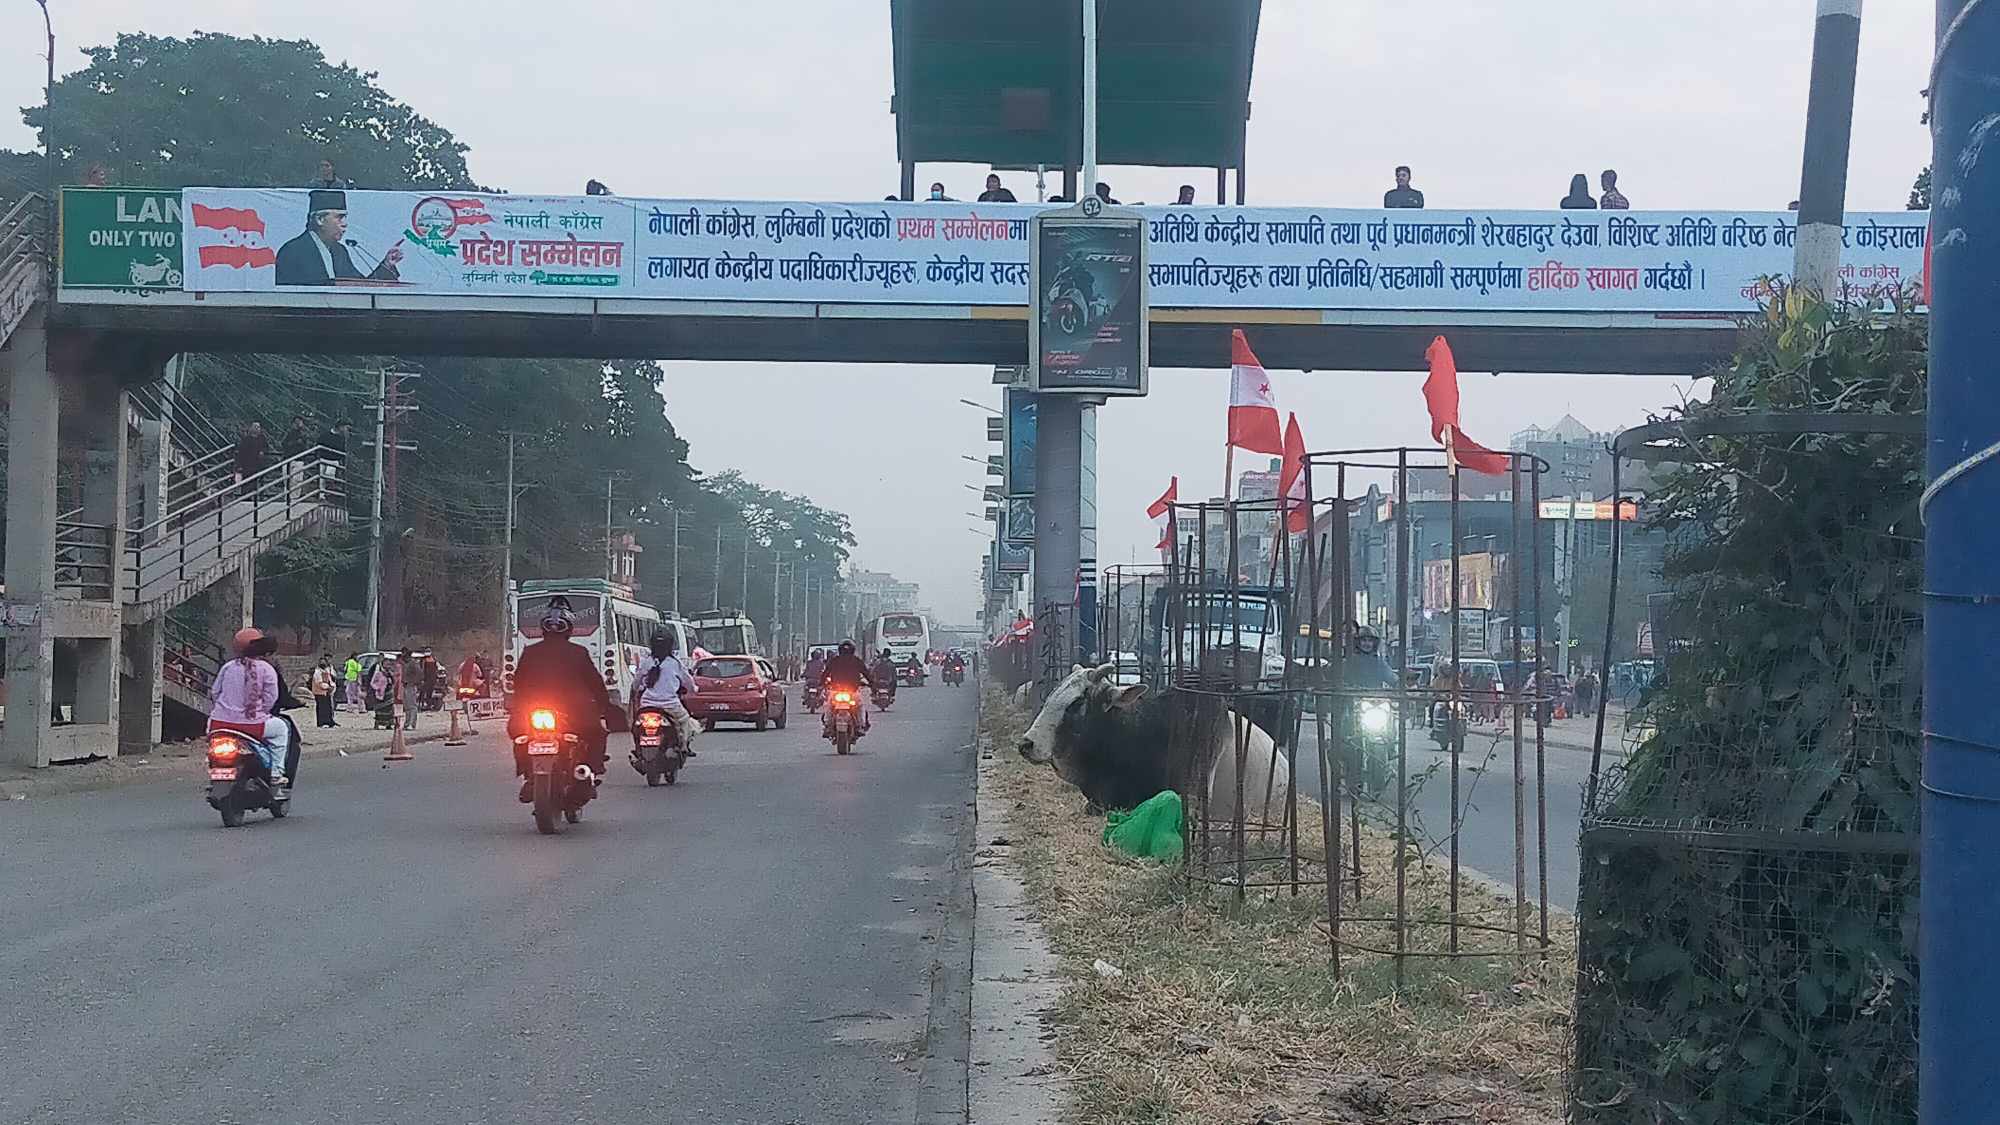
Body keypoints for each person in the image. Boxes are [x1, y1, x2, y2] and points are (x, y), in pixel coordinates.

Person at [507, 604, 617, 789]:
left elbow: (518, 684)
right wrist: (604, 705)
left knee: (518, 733)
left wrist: (517, 706)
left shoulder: (530, 652)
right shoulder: (578, 652)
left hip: (533, 711)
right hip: (574, 713)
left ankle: (527, 771)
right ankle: (589, 769)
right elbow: (595, 683)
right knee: (597, 734)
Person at [208, 628, 290, 785]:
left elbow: (215, 692)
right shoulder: (267, 669)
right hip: (252, 726)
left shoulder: (228, 666)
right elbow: (270, 698)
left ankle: (215, 773)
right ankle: (276, 773)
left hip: (218, 724)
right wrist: (261, 712)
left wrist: (223, 710)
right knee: (281, 729)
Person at [275, 189, 403, 286]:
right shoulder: (292, 251)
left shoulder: (339, 252)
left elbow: (361, 286)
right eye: (339, 217)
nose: (344, 223)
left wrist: (386, 265)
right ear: (320, 219)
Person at [630, 627, 702, 758]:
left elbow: (636, 682)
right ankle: (684, 747)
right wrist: (694, 689)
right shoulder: (675, 663)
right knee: (685, 720)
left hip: (647, 705)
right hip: (671, 706)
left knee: (636, 726)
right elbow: (688, 682)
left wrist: (636, 690)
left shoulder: (647, 662)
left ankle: (638, 749)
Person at [821, 641, 878, 729]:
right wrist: (872, 683)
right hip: (852, 691)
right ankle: (861, 725)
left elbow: (825, 674)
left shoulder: (834, 660)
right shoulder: (856, 660)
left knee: (829, 706)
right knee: (859, 706)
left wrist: (821, 684)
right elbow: (866, 674)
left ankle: (827, 725)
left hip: (836, 691)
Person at [234, 421, 268, 486]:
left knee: (257, 482)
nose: (257, 429)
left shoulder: (262, 438)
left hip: (258, 464)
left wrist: (263, 451)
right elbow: (241, 452)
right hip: (247, 464)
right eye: (255, 427)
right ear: (251, 428)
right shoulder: (246, 439)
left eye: (258, 427)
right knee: (247, 483)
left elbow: (266, 447)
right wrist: (239, 465)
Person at [310, 655, 338, 728]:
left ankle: (329, 722)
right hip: (319, 692)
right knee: (321, 708)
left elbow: (330, 680)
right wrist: (328, 687)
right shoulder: (317, 672)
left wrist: (332, 687)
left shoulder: (327, 671)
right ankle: (321, 723)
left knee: (328, 707)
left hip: (327, 692)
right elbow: (319, 683)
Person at [398, 648, 421, 731]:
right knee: (407, 706)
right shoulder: (405, 664)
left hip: (411, 686)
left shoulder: (413, 664)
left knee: (412, 706)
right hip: (405, 685)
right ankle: (407, 723)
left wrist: (414, 682)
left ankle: (412, 724)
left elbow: (419, 674)